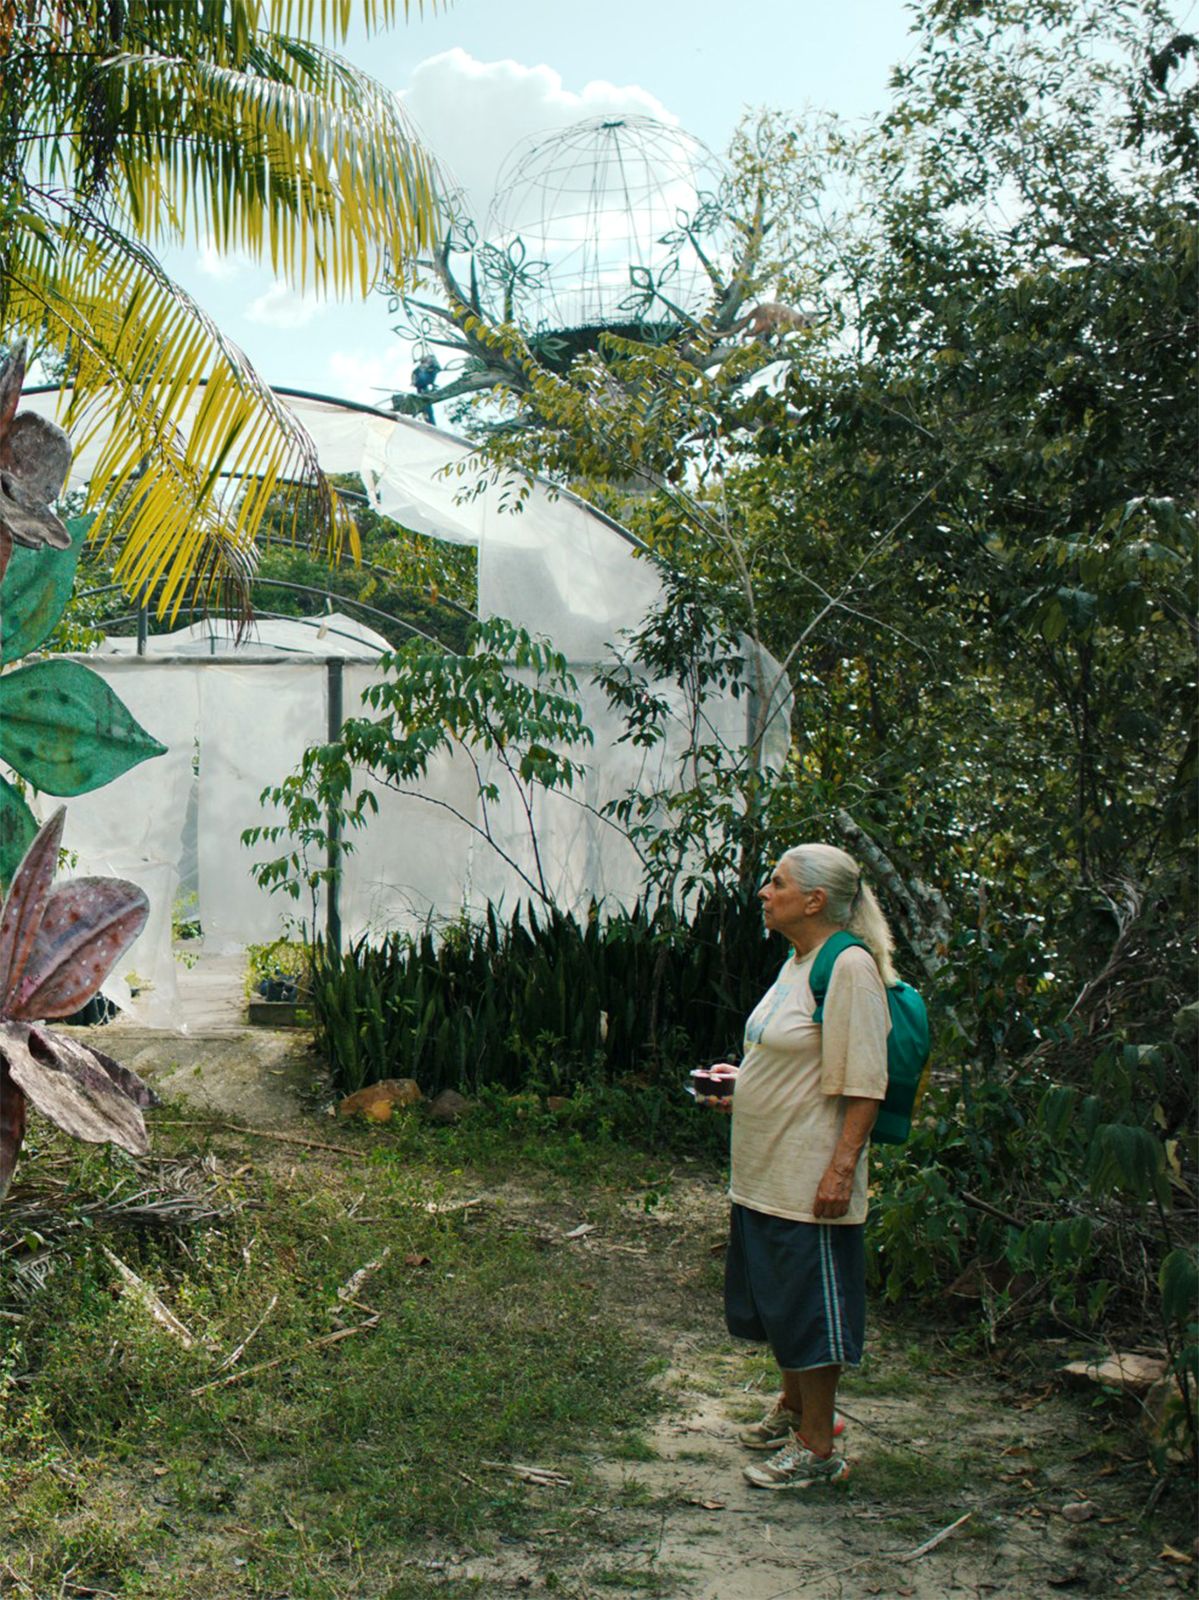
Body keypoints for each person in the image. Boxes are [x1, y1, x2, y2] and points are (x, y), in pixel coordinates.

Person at [700, 843, 893, 1491]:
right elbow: (789, 1051)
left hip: (810, 1177)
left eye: (775, 883)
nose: (763, 891)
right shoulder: (797, 962)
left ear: (814, 899)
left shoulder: (848, 969)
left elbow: (864, 1081)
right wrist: (741, 1078)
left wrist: (841, 1170)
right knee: (780, 1301)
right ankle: (792, 1409)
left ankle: (818, 1447)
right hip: (766, 1171)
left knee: (810, 1308)